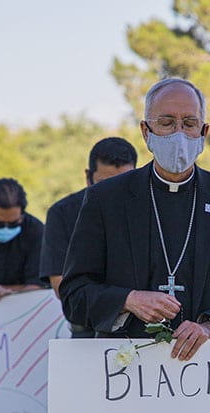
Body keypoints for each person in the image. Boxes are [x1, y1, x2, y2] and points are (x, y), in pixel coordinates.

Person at [60, 78, 210, 361]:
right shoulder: (105, 200)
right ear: (146, 131)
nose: (179, 134)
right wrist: (128, 300)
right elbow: (74, 294)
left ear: (204, 131)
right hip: (126, 374)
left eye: (188, 123)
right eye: (166, 122)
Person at [40, 137, 137, 337]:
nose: (113, 192)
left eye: (123, 182)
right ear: (88, 177)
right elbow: (62, 287)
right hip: (88, 328)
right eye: (105, 183)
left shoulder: (147, 209)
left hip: (141, 329)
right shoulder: (62, 213)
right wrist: (126, 300)